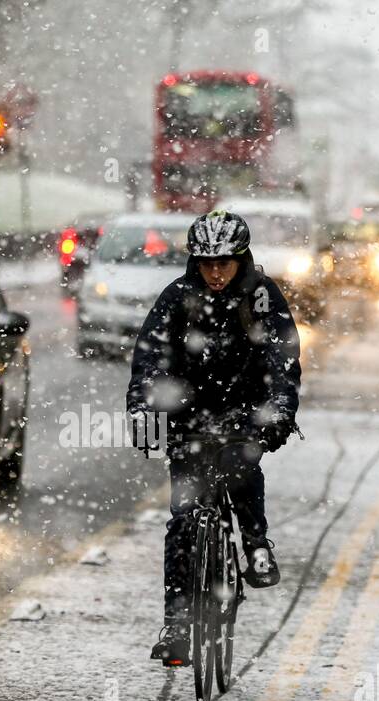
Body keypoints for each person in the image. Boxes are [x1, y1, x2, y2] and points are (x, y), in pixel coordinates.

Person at [126, 210, 302, 666]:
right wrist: (143, 407)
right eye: (207, 263)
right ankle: (178, 623)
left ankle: (256, 543)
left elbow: (282, 360)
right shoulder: (177, 297)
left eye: (225, 263)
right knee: (184, 520)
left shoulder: (263, 296)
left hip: (245, 411)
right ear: (195, 263)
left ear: (241, 259)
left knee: (243, 464)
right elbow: (149, 356)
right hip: (189, 415)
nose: (216, 272)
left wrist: (279, 410)